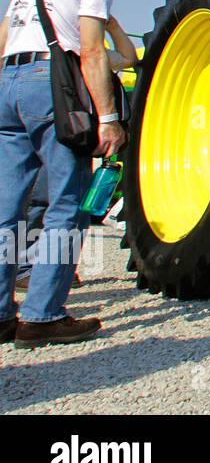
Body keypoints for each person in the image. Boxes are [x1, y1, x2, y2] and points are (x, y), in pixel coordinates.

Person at [0, 0, 134, 348]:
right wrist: (109, 119)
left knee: (7, 210)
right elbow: (93, 52)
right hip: (51, 86)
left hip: (10, 82)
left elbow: (3, 39)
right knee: (67, 205)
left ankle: (3, 315)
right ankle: (42, 316)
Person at [14, 17, 136, 290]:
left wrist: (113, 26)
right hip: (56, 126)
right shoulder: (66, 56)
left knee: (60, 201)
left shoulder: (91, 53)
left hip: (74, 131)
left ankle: (44, 268)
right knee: (41, 198)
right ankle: (25, 267)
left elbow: (128, 57)